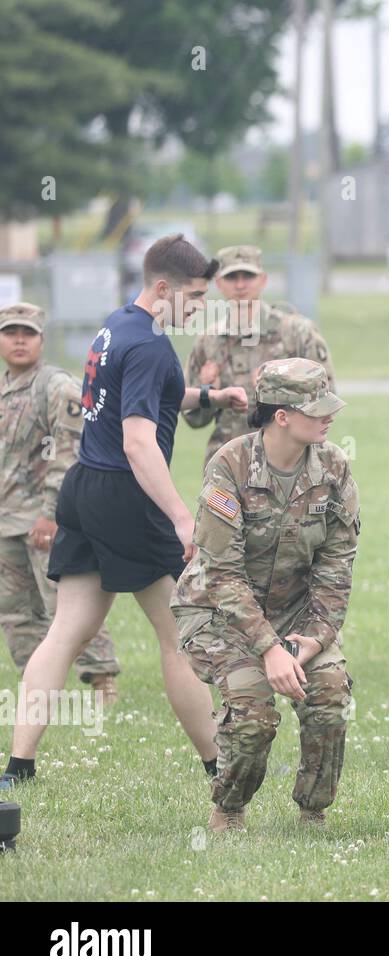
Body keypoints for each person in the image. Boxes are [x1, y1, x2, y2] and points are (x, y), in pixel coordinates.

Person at [0, 235, 247, 791]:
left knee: (65, 632)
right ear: (164, 289)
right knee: (177, 635)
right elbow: (138, 441)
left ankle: (17, 768)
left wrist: (210, 398)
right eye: (196, 295)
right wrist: (183, 518)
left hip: (83, 489)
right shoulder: (151, 346)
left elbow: (145, 396)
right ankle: (220, 767)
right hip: (126, 496)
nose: (200, 306)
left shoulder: (118, 326)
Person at [173, 358, 358, 831]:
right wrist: (270, 650)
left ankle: (313, 810)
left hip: (297, 613)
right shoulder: (230, 465)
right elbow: (223, 574)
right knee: (253, 713)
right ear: (282, 415)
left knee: (329, 693)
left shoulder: (334, 465)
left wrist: (312, 640)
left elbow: (336, 566)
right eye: (317, 409)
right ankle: (228, 811)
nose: (329, 416)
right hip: (220, 614)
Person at [0, 303, 120, 704]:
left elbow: (68, 453)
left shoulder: (56, 386)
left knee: (68, 605)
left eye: (28, 333)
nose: (19, 340)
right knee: (16, 613)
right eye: (10, 332)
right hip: (6, 520)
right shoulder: (3, 387)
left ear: (41, 339)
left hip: (46, 518)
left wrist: (50, 514)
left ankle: (102, 680)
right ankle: (38, 685)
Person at [184, 244, 335, 467]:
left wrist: (279, 390)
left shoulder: (296, 332)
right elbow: (192, 417)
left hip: (290, 465)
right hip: (228, 465)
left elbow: (326, 401)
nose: (240, 284)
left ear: (263, 280)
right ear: (219, 284)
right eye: (232, 277)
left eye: (248, 275)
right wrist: (209, 391)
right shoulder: (209, 341)